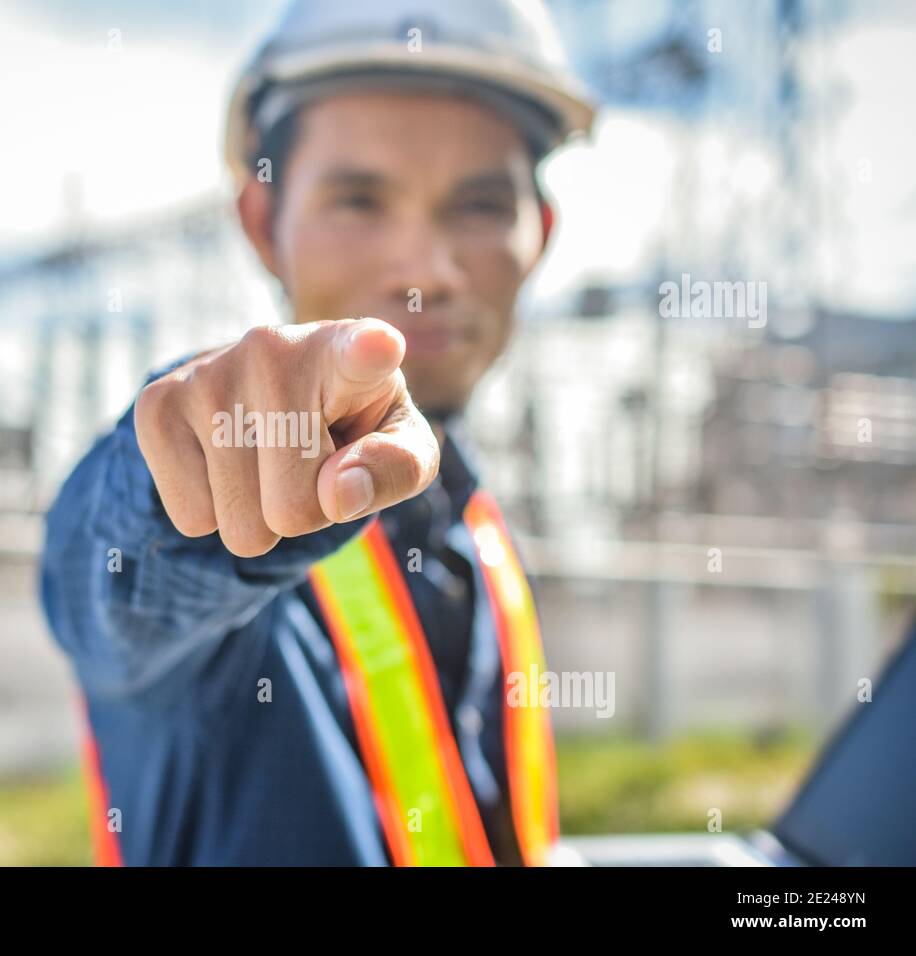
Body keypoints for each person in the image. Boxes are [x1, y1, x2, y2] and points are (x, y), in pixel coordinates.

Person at [40, 0, 596, 865]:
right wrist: (180, 472)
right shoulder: (216, 491)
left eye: (479, 207)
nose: (425, 270)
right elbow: (112, 572)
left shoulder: (480, 535)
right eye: (359, 200)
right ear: (263, 224)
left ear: (542, 234)